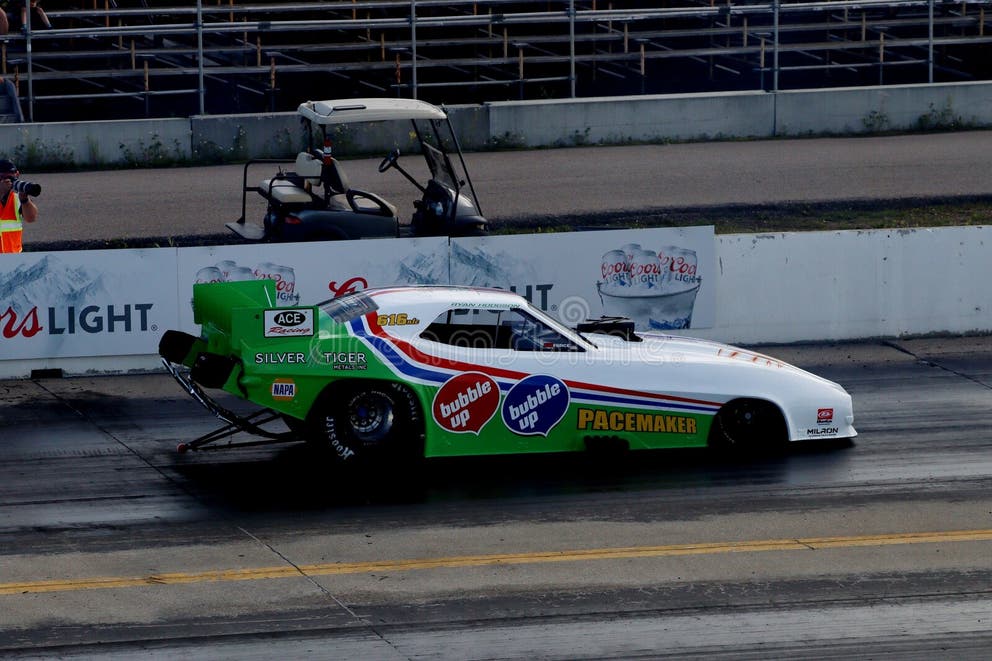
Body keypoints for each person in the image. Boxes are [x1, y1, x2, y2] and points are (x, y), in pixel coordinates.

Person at [0, 158, 39, 254]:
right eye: (2, 177)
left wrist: (25, 200)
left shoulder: (17, 197)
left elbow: (31, 218)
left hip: (13, 258)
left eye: (10, 178)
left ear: (17, 174)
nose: (7, 181)